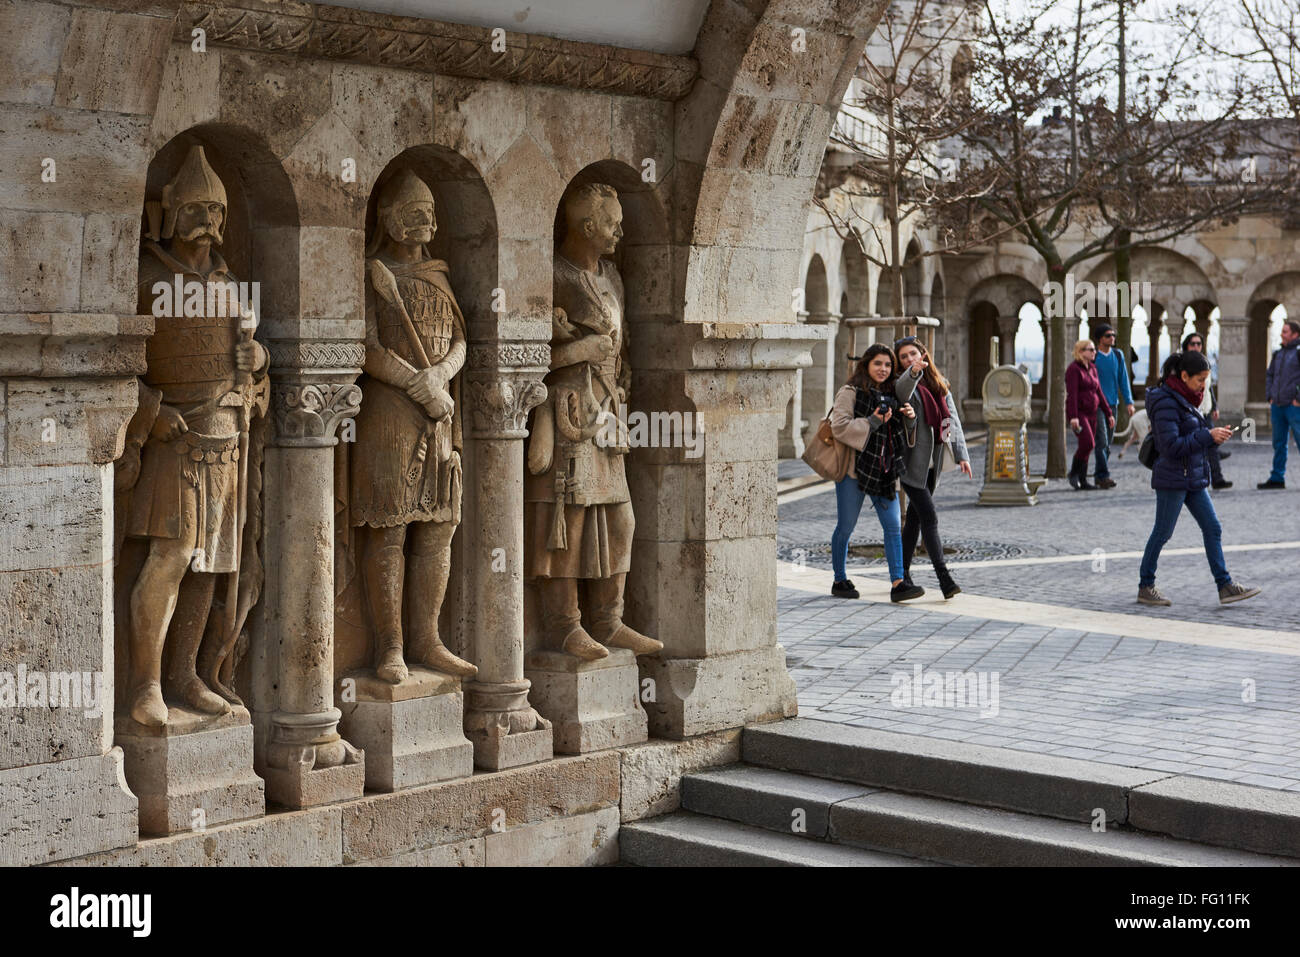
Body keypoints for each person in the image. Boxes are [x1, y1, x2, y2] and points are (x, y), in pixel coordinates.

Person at [1137, 351, 1260, 606]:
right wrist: (1207, 436)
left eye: (1207, 379)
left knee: (1212, 527)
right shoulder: (1166, 402)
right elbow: (1171, 446)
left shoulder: (1186, 397)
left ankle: (1224, 585)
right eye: (1200, 379)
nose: (1204, 385)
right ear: (1184, 376)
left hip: (1192, 477)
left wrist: (1212, 435)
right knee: (1162, 532)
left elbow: (1191, 435)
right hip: (1172, 478)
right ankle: (1145, 586)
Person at [828, 343, 925, 602]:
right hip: (853, 470)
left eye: (888, 365)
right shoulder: (849, 392)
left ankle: (898, 583)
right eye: (878, 364)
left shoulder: (893, 393)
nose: (883, 369)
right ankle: (840, 579)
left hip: (884, 469)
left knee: (893, 526)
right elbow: (839, 427)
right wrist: (872, 421)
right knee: (846, 527)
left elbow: (900, 430)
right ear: (866, 365)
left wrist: (910, 418)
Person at [893, 335, 972, 600]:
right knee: (930, 517)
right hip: (910, 466)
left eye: (913, 354)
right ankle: (944, 578)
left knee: (914, 520)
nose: (909, 359)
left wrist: (962, 455)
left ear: (923, 354)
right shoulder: (902, 383)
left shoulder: (939, 384)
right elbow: (902, 392)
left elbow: (952, 420)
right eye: (903, 357)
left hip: (932, 464)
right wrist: (912, 373)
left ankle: (901, 574)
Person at [1181, 331, 1231, 490]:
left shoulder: (1204, 362)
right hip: (1191, 411)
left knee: (1212, 443)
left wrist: (1215, 406)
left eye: (1199, 344)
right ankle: (1194, 477)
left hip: (1206, 410)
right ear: (1186, 346)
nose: (1196, 346)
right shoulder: (1182, 364)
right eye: (1192, 344)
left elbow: (1208, 389)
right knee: (1195, 444)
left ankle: (1217, 478)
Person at [1090, 324, 1135, 488]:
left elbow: (1123, 378)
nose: (1112, 338)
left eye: (1114, 335)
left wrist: (1129, 401)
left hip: (1112, 405)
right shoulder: (1094, 357)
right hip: (1096, 406)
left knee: (1107, 442)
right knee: (1101, 441)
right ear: (1101, 339)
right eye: (1109, 335)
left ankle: (1099, 474)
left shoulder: (1118, 355)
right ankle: (1103, 476)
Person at [1065, 339, 1113, 490]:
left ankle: (1083, 480)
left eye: (1094, 350)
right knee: (1088, 443)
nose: (1094, 352)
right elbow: (1072, 394)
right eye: (1091, 350)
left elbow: (1099, 391)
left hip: (1093, 412)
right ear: (1081, 352)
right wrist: (1073, 417)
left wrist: (1108, 413)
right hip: (1080, 413)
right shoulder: (1073, 369)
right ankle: (1073, 473)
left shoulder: (1092, 368)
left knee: (1087, 446)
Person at [1259, 319, 1300, 490]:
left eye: (1285, 332)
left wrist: (1298, 398)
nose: (1281, 335)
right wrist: (1270, 396)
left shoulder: (1298, 352)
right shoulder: (1278, 354)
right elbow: (1270, 375)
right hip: (1277, 405)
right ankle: (1277, 478)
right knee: (1278, 443)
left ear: (1295, 334)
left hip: (1294, 406)